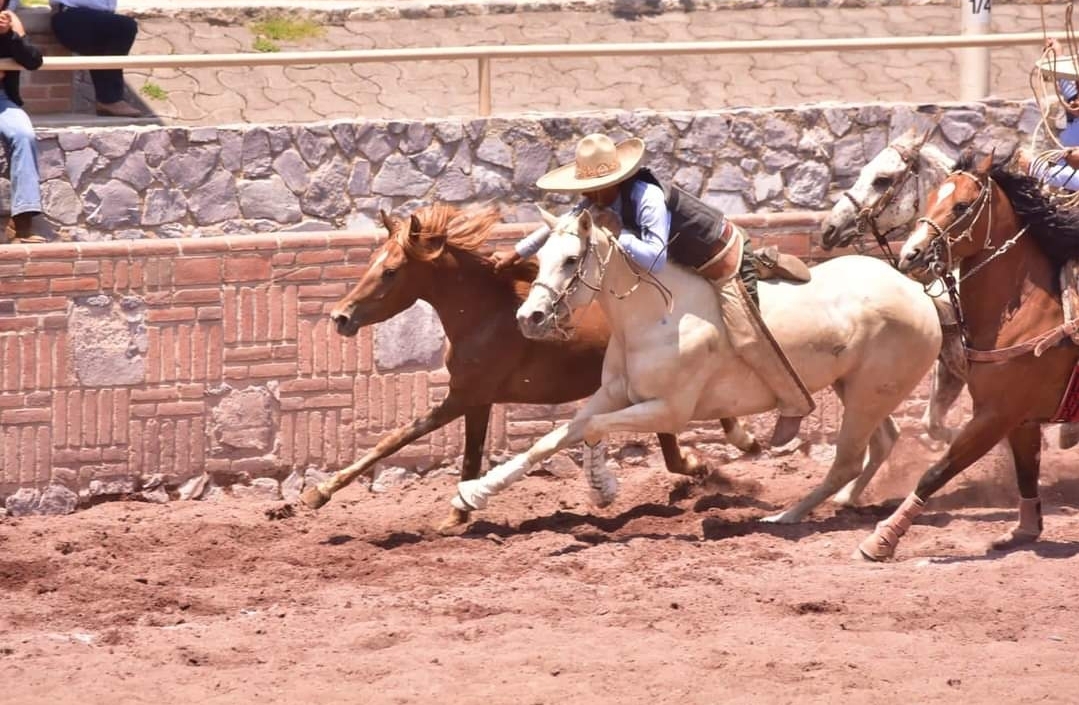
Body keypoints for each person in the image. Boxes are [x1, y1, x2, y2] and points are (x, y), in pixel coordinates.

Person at [491, 133, 815, 446]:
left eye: (595, 186)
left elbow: (656, 259)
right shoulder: (594, 202)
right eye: (586, 187)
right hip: (682, 262)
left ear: (615, 180)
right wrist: (516, 253)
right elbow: (561, 226)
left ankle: (794, 403)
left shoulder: (648, 198)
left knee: (745, 330)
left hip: (720, 256)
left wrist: (621, 234)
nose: (590, 193)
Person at [0, 0, 46, 243]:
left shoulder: (8, 21)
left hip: (2, 100)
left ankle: (23, 224)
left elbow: (33, 61)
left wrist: (10, 36)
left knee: (23, 134)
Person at [49, 0, 141, 118]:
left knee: (110, 38)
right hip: (69, 15)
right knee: (125, 27)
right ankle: (110, 100)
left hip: (97, 17)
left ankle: (108, 101)